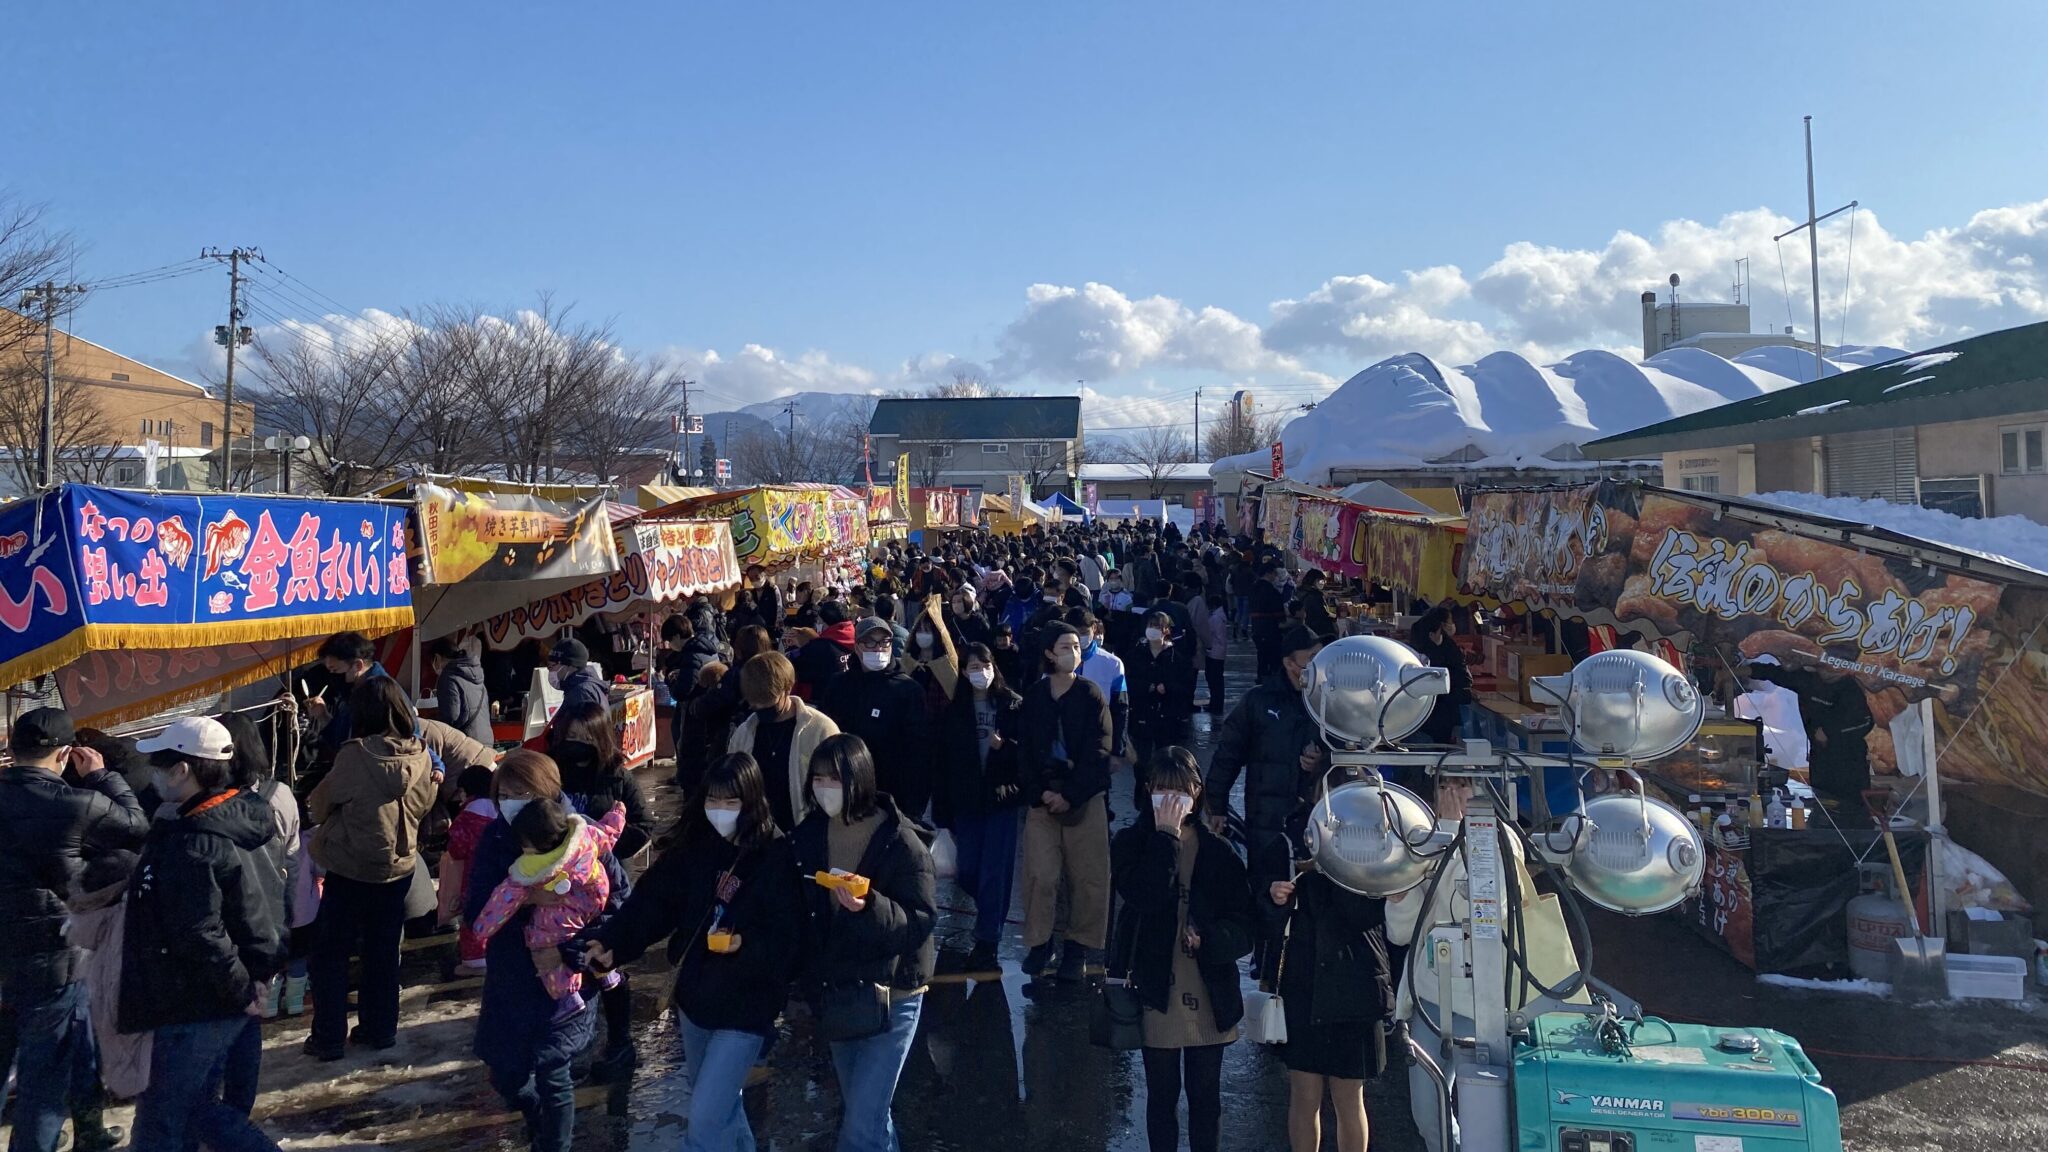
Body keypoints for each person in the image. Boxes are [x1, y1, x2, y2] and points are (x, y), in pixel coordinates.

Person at [582, 752, 805, 1152]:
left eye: (731, 802)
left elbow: (790, 936)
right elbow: (655, 900)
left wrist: (747, 945)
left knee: (704, 1122)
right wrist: (614, 941)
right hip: (697, 1000)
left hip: (746, 1007)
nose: (720, 811)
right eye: (713, 800)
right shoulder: (697, 846)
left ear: (751, 801)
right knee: (723, 1112)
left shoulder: (774, 855)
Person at [123, 715, 287, 1152]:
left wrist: (241, 988)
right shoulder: (240, 814)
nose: (153, 774)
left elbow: (201, 931)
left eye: (160, 764)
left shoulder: (196, 839)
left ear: (183, 770)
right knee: (185, 1111)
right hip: (228, 987)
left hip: (199, 996)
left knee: (174, 1112)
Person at [0, 707, 146, 1152]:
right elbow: (137, 827)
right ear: (66, 754)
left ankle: (90, 1128)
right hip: (55, 950)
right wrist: (102, 776)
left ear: (11, 747)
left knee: (70, 1038)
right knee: (45, 1078)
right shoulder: (77, 803)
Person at [794, 735, 937, 1152]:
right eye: (818, 779)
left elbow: (921, 920)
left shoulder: (900, 841)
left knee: (860, 1127)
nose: (824, 788)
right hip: (840, 990)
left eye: (834, 779)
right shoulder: (808, 837)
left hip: (894, 993)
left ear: (860, 779)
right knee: (868, 1112)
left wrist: (869, 906)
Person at [1112, 747, 1254, 1152]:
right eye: (1162, 791)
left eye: (1181, 792)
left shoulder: (1220, 853)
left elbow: (1244, 925)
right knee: (1161, 1098)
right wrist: (1165, 839)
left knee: (1206, 1101)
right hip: (1155, 988)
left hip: (1209, 992)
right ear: (1147, 792)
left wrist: (1210, 939)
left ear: (1197, 793)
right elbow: (1145, 895)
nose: (1171, 802)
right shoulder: (1131, 842)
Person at [304, 677, 440, 1060]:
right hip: (398, 867)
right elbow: (427, 800)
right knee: (382, 953)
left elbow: (321, 803)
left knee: (330, 954)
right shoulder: (422, 753)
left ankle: (329, 1037)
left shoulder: (356, 754)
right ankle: (380, 1030)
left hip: (350, 866)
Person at [467, 751, 594, 1152]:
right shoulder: (497, 837)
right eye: (504, 793)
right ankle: (534, 1114)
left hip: (562, 982)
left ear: (548, 792)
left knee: (554, 1074)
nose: (512, 800)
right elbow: (476, 911)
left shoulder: (581, 838)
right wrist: (524, 899)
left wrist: (568, 952)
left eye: (522, 791)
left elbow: (614, 906)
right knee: (506, 1074)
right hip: (510, 979)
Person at [1267, 783, 1395, 1152]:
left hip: (1355, 981)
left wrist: (1333, 860)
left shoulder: (1374, 841)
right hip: (1303, 980)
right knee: (1303, 1092)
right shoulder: (1292, 835)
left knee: (1348, 1095)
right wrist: (1272, 894)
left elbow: (1367, 915)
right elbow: (1262, 907)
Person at [1204, 625, 1329, 978]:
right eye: (1311, 660)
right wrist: (1216, 805)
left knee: (1312, 893)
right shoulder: (1259, 702)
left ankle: (1306, 964)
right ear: (1290, 663)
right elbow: (1228, 754)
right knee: (1266, 890)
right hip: (1267, 819)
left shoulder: (1330, 702)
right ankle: (1266, 960)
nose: (1318, 668)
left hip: (1317, 818)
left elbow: (1351, 755)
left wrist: (1322, 762)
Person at [1016, 623, 1114, 981]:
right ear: (1048, 653)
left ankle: (1079, 947)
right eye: (1064, 646)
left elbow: (1100, 749)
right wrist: (1040, 791)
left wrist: (1071, 793)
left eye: (1076, 645)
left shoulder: (1090, 695)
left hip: (1084, 798)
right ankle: (1040, 943)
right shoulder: (1035, 696)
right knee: (1040, 876)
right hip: (1042, 799)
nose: (1073, 651)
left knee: (1088, 878)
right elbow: (1023, 749)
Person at [473, 797, 628, 1022]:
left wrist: (481, 928)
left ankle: (567, 997)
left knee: (542, 947)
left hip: (563, 913)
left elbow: (504, 899)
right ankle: (607, 974)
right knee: (593, 942)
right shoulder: (583, 836)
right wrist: (618, 813)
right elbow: (609, 832)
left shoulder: (533, 867)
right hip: (596, 898)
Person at [934, 643, 1024, 972]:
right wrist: (942, 815)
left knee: (994, 874)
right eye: (972, 666)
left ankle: (988, 938)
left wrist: (1006, 748)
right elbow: (941, 766)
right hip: (966, 801)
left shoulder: (1012, 705)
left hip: (1002, 799)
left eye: (984, 665)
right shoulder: (954, 712)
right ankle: (988, 911)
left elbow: (1028, 753)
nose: (980, 672)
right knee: (968, 870)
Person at [820, 616, 937, 822]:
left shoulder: (907, 690)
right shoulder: (839, 687)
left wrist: (913, 808)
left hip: (892, 801)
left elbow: (920, 752)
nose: (878, 648)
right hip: (846, 797)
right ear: (857, 647)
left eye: (884, 642)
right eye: (871, 642)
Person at [728, 650, 841, 832]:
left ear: (787, 688)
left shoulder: (821, 729)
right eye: (755, 703)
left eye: (768, 701)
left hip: (805, 834)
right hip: (758, 835)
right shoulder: (744, 733)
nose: (762, 708)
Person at [446, 764, 499, 972]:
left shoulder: (467, 816)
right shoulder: (500, 809)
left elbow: (456, 849)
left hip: (474, 875)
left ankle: (474, 958)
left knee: (473, 912)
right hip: (501, 873)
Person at [1126, 610, 1195, 765]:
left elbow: (1186, 686)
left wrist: (1168, 688)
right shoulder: (1137, 654)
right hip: (1141, 716)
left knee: (1166, 762)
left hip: (1168, 718)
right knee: (1141, 765)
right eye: (1151, 625)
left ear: (1166, 630)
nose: (1153, 629)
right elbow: (1128, 681)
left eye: (1157, 626)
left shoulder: (1176, 657)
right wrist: (1148, 687)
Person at [1409, 608, 1470, 752]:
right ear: (1436, 631)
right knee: (1439, 751)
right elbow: (1460, 677)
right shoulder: (1445, 649)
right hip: (1442, 714)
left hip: (1418, 714)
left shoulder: (1415, 649)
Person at [432, 636, 496, 746]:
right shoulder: (476, 673)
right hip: (486, 740)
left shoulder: (448, 677)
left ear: (437, 658)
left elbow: (451, 717)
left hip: (466, 745)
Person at [545, 639, 610, 744]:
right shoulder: (584, 686)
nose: (550, 672)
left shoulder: (581, 692)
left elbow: (581, 734)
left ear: (568, 666)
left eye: (552, 667)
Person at [795, 600, 858, 701]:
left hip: (824, 702)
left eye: (819, 621)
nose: (818, 624)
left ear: (825, 622)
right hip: (850, 698)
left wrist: (801, 647)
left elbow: (798, 670)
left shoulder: (820, 647)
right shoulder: (857, 638)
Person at [1189, 576, 1230, 716]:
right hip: (1217, 651)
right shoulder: (1219, 616)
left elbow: (1208, 631)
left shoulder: (1216, 618)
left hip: (1214, 652)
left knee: (1214, 680)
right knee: (1215, 679)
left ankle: (1216, 704)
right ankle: (1215, 703)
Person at [1248, 560, 1289, 680]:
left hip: (1257, 627)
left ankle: (1262, 677)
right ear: (1268, 573)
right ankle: (1270, 679)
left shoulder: (1254, 587)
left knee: (1262, 654)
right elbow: (1278, 611)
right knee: (1272, 655)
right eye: (1274, 573)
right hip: (1270, 628)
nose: (1276, 576)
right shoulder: (1270, 590)